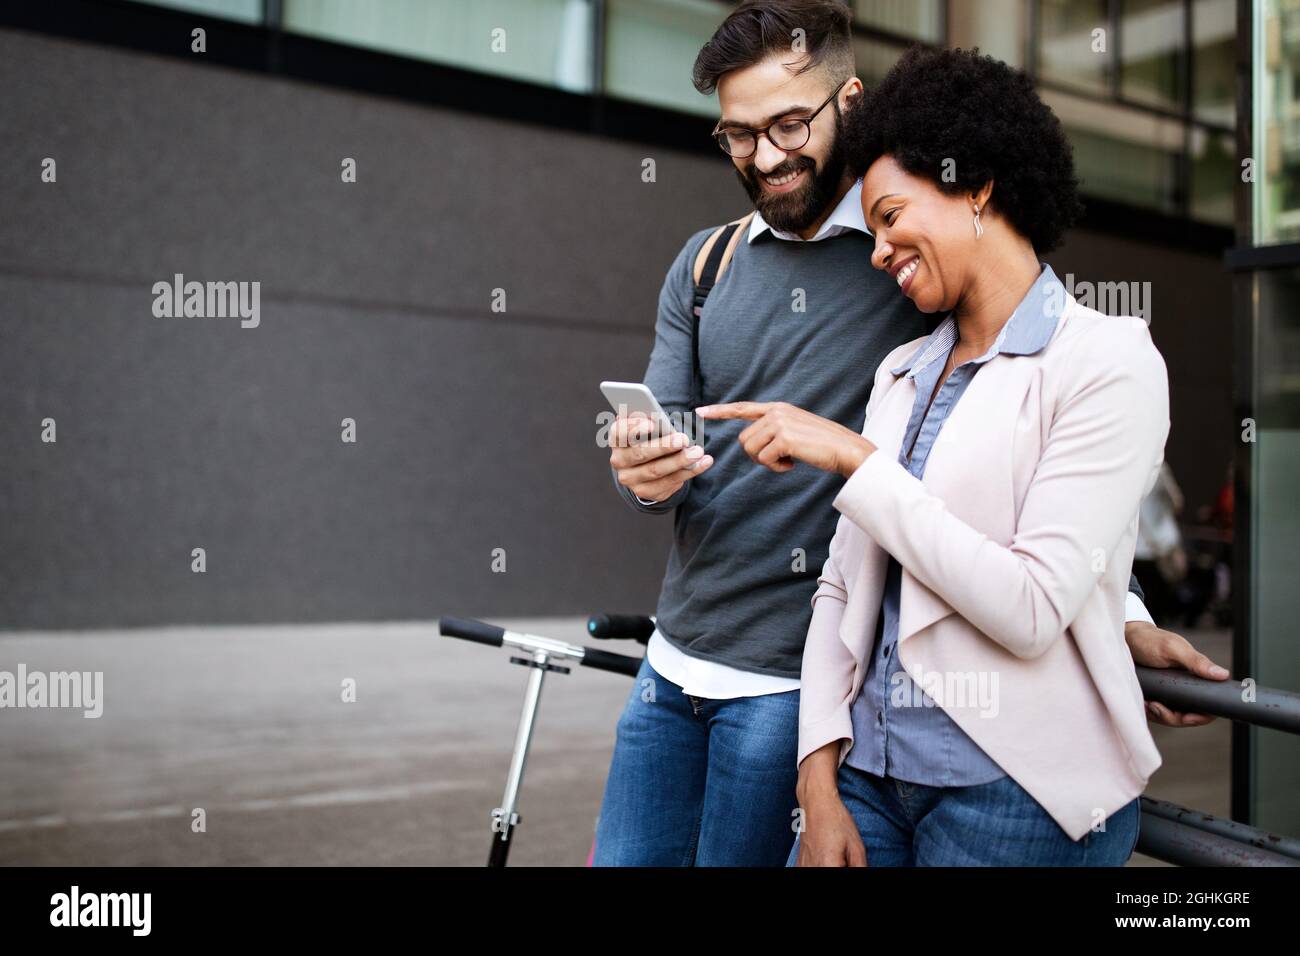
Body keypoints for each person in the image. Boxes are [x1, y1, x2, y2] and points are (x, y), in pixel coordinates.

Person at [595, 2, 1225, 868]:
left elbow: (1043, 450)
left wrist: (1114, 610)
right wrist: (641, 469)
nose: (767, 156)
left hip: (798, 690)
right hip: (679, 662)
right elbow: (658, 441)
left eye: (788, 124)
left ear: (848, 101)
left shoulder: (919, 266)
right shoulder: (706, 265)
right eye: (739, 136)